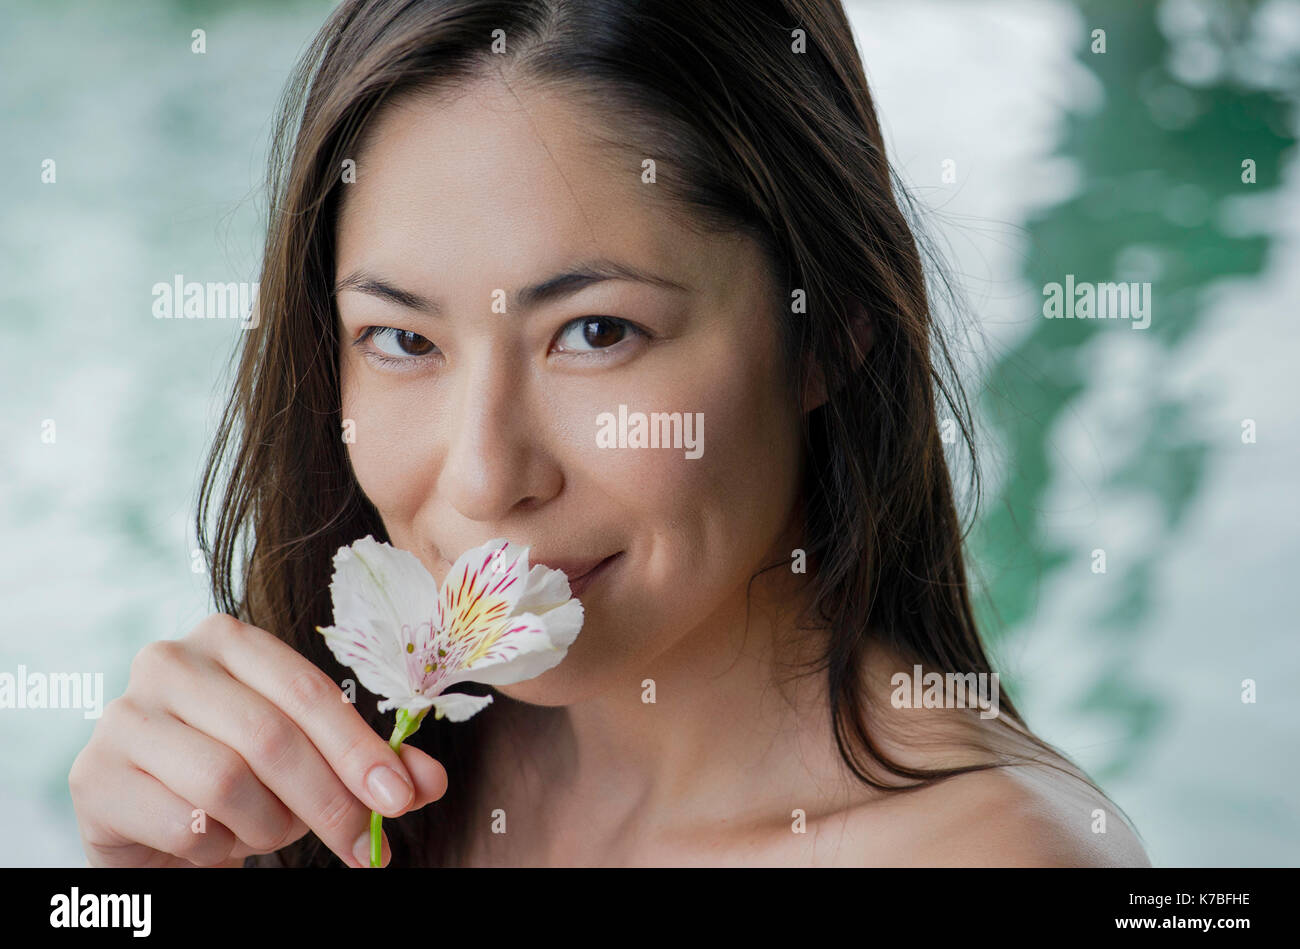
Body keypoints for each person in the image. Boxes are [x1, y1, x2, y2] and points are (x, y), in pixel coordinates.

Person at [69, 0, 1150, 867]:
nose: (486, 478)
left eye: (594, 332)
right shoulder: (332, 784)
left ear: (830, 334)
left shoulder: (990, 856)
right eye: (402, 339)